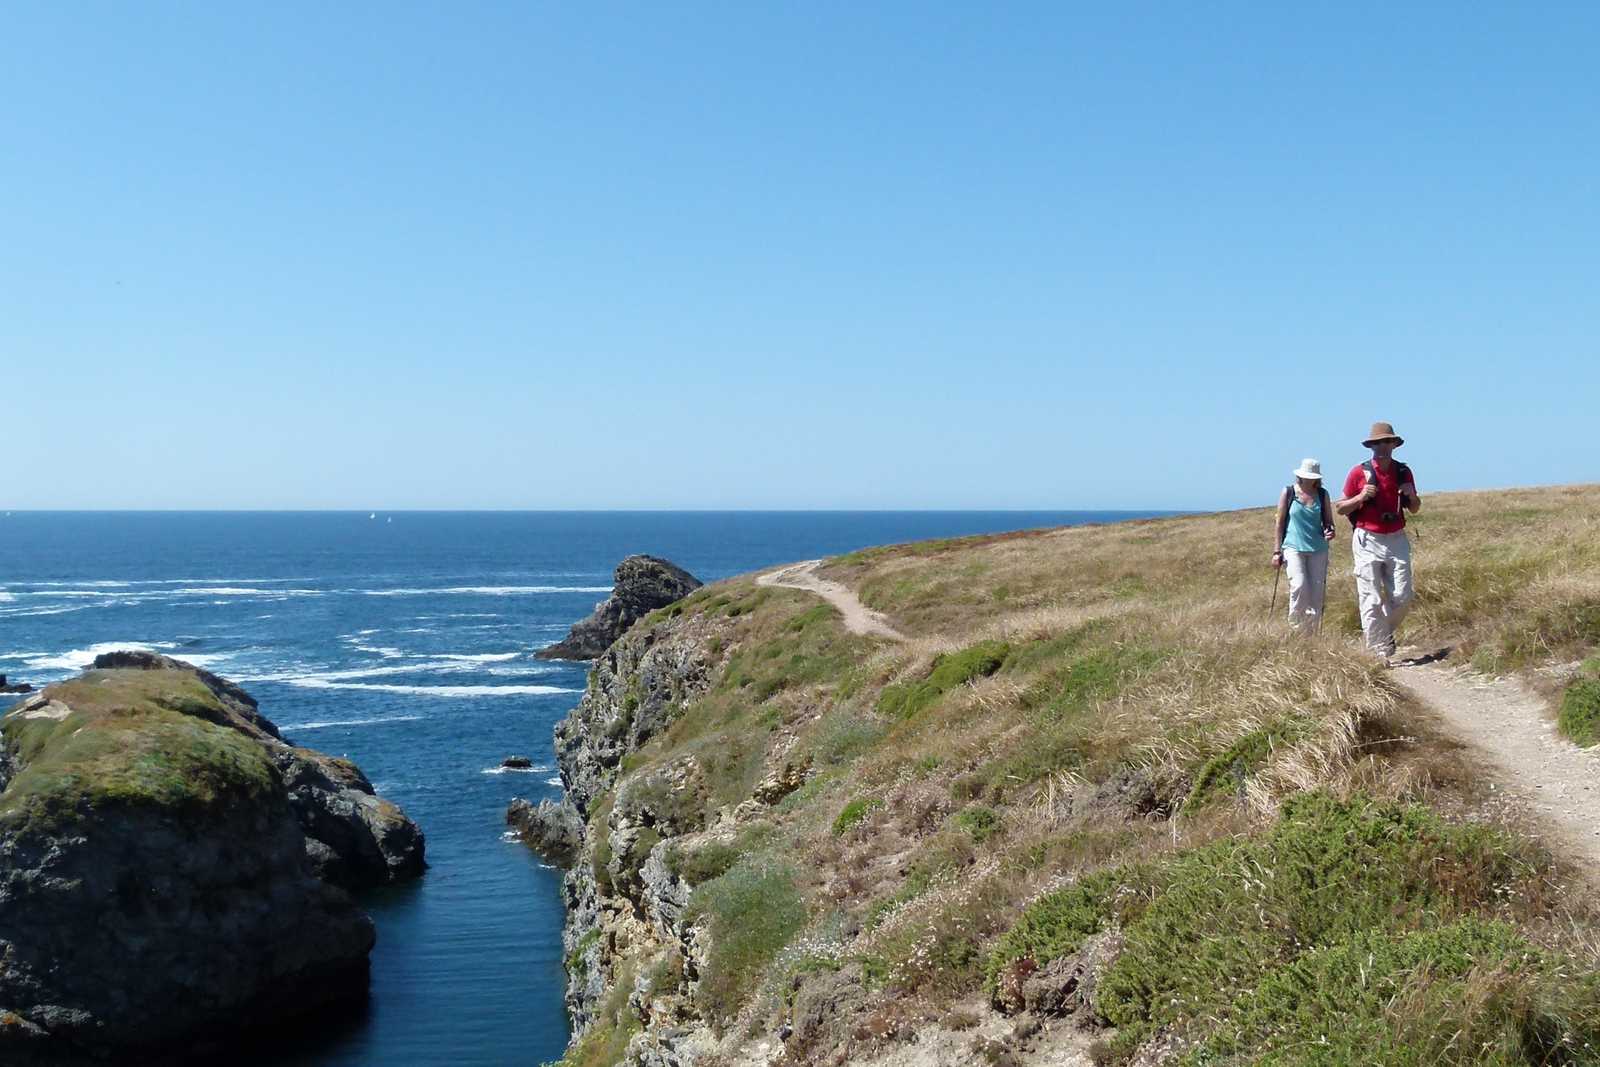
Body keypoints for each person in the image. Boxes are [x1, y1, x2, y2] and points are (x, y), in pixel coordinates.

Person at [1335, 421, 1421, 661]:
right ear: (1371, 446)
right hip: (1367, 539)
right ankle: (1377, 652)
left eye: (1387, 442)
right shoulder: (1358, 473)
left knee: (1403, 596)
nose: (1382, 446)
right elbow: (1341, 508)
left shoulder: (1403, 472)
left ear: (1394, 444)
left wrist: (1411, 495)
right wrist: (1362, 496)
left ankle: (1382, 634)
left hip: (1396, 537)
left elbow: (1414, 508)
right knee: (1370, 597)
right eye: (1378, 443)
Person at [1271, 459, 1336, 631]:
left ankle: (1312, 633)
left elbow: (1329, 521)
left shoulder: (1322, 494)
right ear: (1300, 476)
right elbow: (1280, 522)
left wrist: (1330, 531)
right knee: (1299, 585)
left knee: (1316, 592)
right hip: (1293, 547)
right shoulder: (1289, 492)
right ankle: (1296, 628)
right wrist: (1277, 551)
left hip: (1318, 548)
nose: (1309, 479)